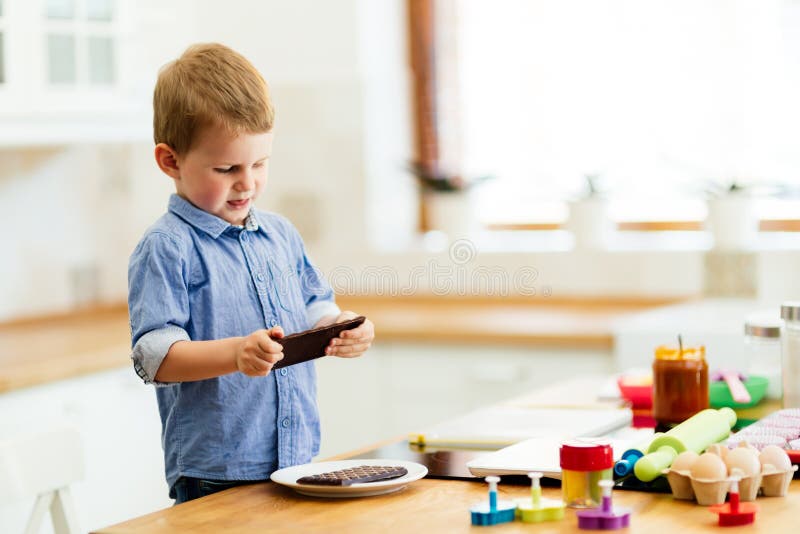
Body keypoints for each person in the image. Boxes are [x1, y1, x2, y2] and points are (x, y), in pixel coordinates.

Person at [127, 43, 375, 504]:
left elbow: (315, 302)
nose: (247, 182)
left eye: (260, 163)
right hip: (216, 473)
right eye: (227, 168)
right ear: (170, 161)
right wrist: (236, 353)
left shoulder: (279, 233)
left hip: (295, 458)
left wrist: (336, 328)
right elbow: (153, 357)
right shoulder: (167, 247)